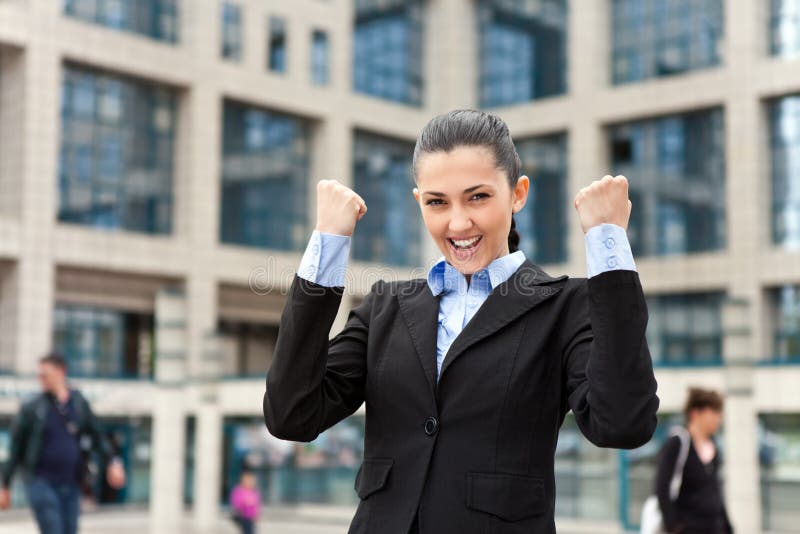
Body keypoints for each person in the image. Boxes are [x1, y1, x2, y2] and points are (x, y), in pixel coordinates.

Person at [263, 109, 659, 533]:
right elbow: (291, 414)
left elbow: (622, 422)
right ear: (419, 202)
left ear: (518, 194)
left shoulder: (564, 307)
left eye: (478, 197)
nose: (457, 222)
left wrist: (607, 239)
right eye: (437, 202)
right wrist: (328, 243)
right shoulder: (385, 307)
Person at [0, 353, 126, 534]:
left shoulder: (78, 403)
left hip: (72, 484)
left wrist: (113, 463)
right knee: (53, 529)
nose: (41, 379)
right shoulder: (33, 407)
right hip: (40, 482)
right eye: (39, 375)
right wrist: (5, 485)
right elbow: (15, 448)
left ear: (60, 372)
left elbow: (97, 436)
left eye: (45, 374)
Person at [655, 388, 733, 533]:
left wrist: (728, 528)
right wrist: (673, 526)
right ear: (695, 413)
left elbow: (716, 492)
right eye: (714, 412)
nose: (718, 419)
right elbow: (662, 488)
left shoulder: (714, 447)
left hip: (715, 528)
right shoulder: (678, 443)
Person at [229, 470, 261, 534]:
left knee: (251, 530)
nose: (250, 482)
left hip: (251, 516)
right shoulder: (239, 490)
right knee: (247, 530)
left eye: (252, 481)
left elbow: (257, 503)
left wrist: (257, 514)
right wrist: (244, 503)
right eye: (248, 480)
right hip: (243, 515)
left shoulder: (254, 491)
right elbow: (235, 501)